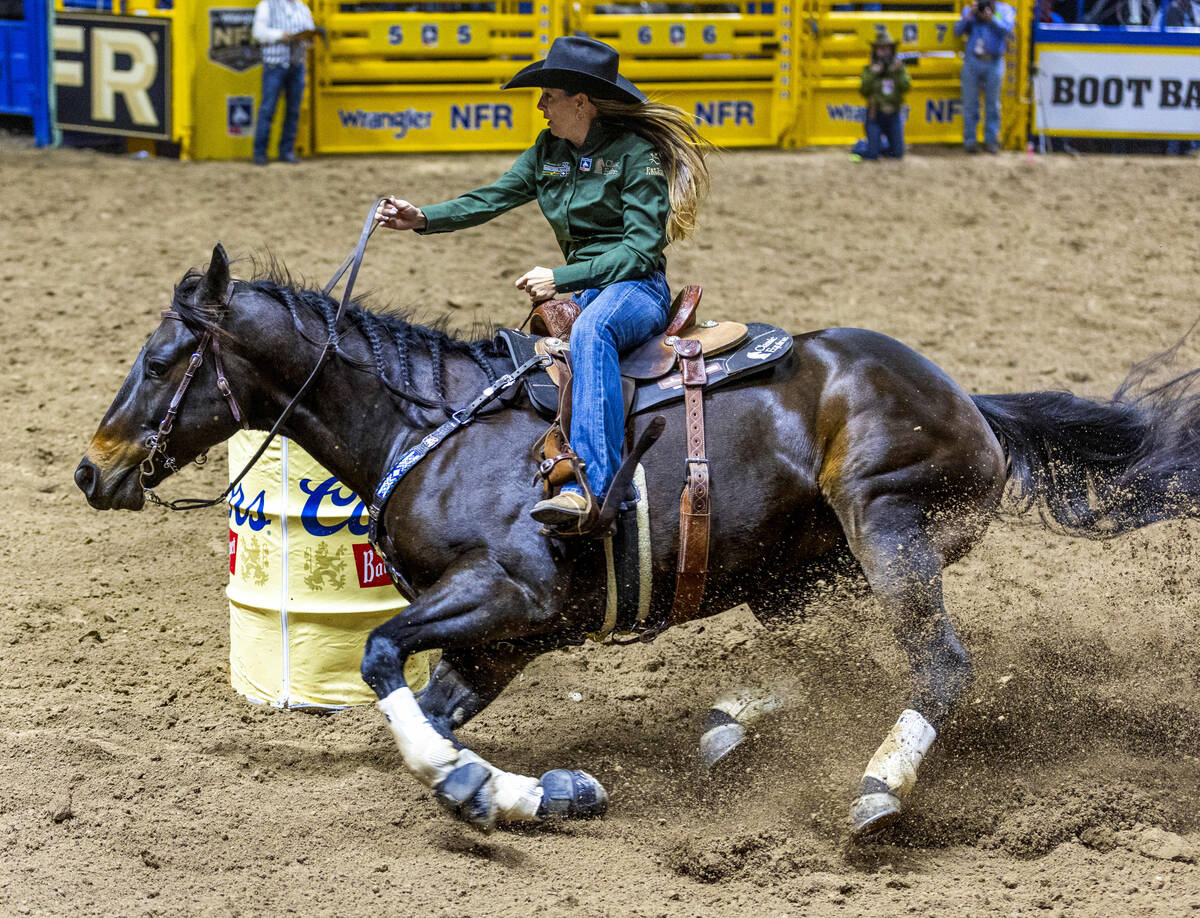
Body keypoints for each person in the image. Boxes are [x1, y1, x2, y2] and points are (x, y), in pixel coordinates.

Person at [375, 36, 711, 534]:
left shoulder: (636, 156)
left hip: (637, 288)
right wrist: (423, 218)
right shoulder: (547, 151)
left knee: (592, 333)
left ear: (581, 102)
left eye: (548, 96)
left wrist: (562, 278)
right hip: (590, 289)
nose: (540, 106)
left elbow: (640, 250)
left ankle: (591, 488)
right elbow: (492, 197)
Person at [251, 0, 316, 165]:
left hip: (297, 64)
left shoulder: (302, 7)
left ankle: (286, 151)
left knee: (293, 111)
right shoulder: (267, 5)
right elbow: (258, 33)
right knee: (268, 109)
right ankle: (260, 153)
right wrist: (282, 35)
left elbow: (310, 36)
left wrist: (306, 37)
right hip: (275, 64)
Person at [954, 0, 1016, 154]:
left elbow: (1007, 30)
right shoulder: (969, 10)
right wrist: (969, 16)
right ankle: (970, 141)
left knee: (993, 104)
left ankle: (991, 140)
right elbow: (957, 31)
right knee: (970, 104)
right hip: (972, 60)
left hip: (994, 61)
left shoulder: (1004, 10)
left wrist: (991, 18)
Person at [858, 31, 911, 160]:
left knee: (898, 154)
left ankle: (880, 146)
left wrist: (897, 72)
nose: (884, 52)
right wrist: (873, 73)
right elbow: (863, 90)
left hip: (893, 115)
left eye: (887, 49)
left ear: (892, 50)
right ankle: (860, 147)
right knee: (872, 155)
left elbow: (906, 87)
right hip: (875, 116)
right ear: (875, 51)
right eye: (881, 49)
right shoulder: (868, 69)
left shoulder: (899, 69)